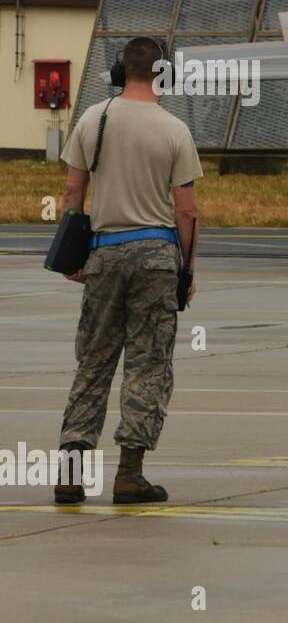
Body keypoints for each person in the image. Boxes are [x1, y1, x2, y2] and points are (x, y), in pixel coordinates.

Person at [53, 37, 202, 504]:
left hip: (104, 253)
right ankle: (129, 473)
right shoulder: (175, 129)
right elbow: (187, 212)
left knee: (93, 363)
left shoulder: (91, 120)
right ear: (165, 76)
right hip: (156, 256)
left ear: (120, 71)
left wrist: (76, 257)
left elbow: (73, 196)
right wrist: (188, 268)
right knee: (148, 363)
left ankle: (71, 474)